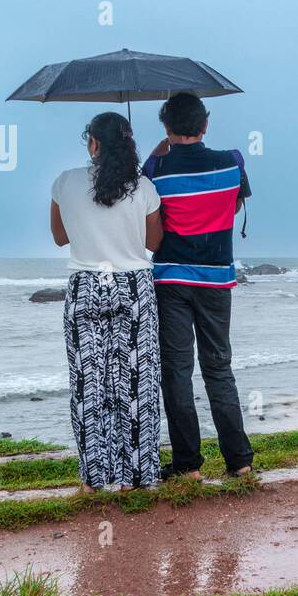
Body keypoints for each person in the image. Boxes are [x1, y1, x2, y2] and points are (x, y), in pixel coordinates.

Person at [50, 112, 164, 491]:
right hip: (133, 286)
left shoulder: (65, 182)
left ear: (93, 144)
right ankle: (137, 476)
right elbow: (153, 243)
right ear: (128, 143)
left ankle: (93, 479)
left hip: (86, 285)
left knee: (89, 385)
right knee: (138, 384)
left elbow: (60, 237)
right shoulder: (143, 187)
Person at [144, 92, 254, 480]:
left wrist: (157, 153)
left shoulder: (156, 168)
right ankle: (239, 461)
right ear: (205, 124)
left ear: (166, 126)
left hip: (171, 278)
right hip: (216, 280)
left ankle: (188, 465)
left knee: (176, 370)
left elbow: (146, 213)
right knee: (218, 367)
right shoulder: (232, 162)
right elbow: (234, 206)